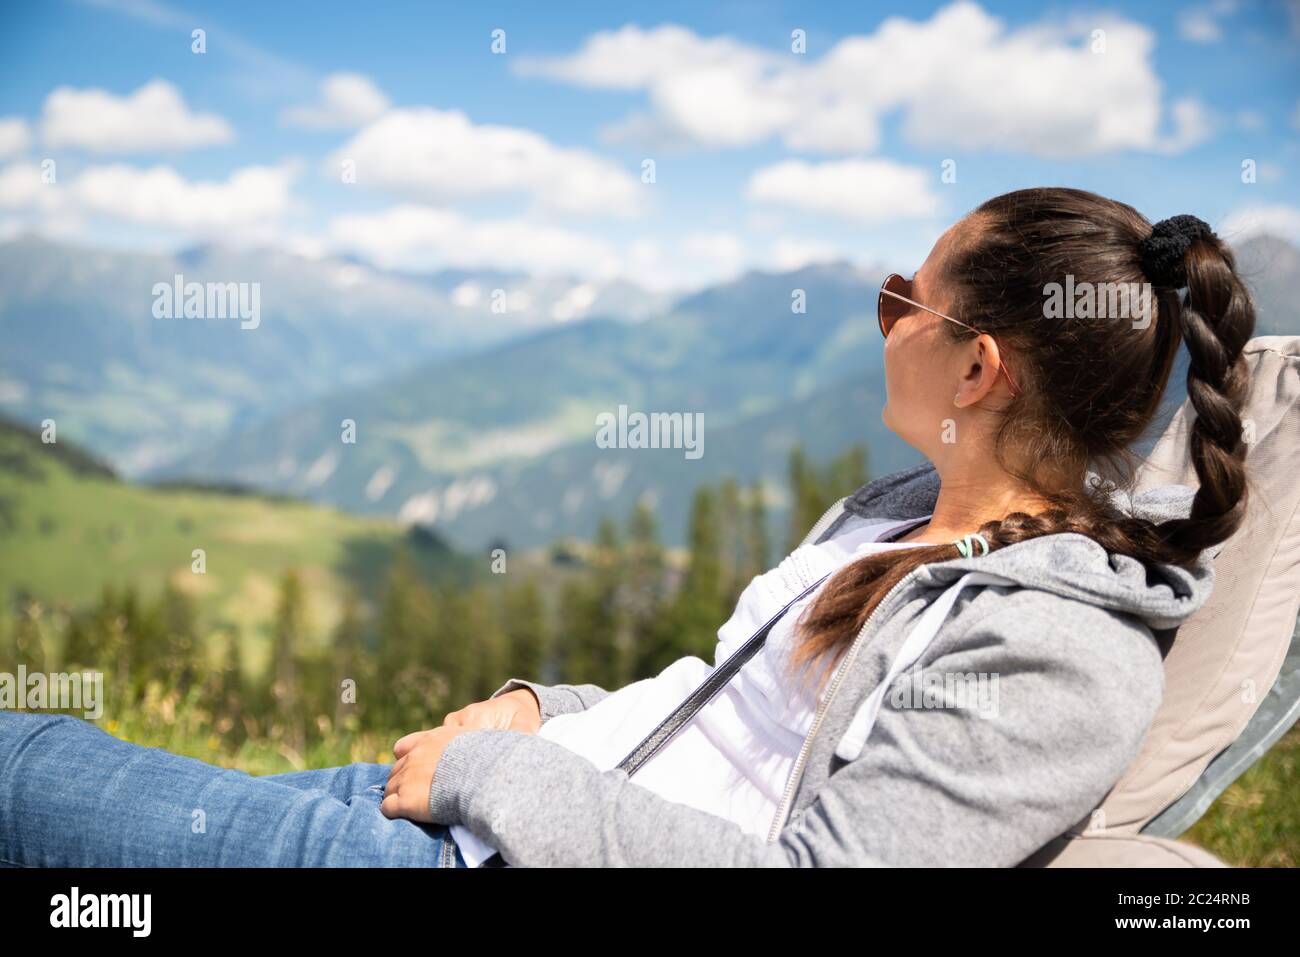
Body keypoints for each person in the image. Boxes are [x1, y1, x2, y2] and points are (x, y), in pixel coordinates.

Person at [0, 187, 1255, 867]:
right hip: (496, 813)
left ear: (977, 369)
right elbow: (722, 716)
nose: (877, 321)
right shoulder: (898, 521)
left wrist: (503, 776)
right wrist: (548, 711)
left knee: (25, 772)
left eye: (898, 301)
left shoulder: (1059, 656)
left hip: (493, 849)